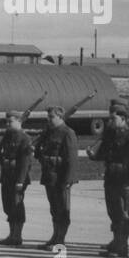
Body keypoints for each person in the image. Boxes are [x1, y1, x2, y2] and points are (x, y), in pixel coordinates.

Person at [87, 101, 129, 258]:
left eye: (113, 118)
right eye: (109, 119)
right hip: (111, 177)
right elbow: (104, 154)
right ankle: (116, 241)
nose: (110, 122)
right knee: (113, 212)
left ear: (123, 118)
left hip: (123, 180)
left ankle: (122, 246)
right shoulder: (111, 134)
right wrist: (93, 156)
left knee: (124, 213)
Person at [33, 105, 78, 249]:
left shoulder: (67, 133)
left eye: (51, 116)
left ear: (60, 117)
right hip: (49, 175)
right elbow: (39, 150)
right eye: (48, 116)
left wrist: (68, 179)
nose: (48, 119)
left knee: (62, 209)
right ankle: (54, 237)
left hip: (61, 177)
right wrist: (41, 156)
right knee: (54, 209)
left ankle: (60, 240)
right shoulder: (48, 132)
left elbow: (71, 159)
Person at [0, 110, 32, 244]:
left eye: (10, 121)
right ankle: (11, 235)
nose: (7, 124)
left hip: (17, 178)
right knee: (8, 206)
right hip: (6, 176)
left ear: (19, 121)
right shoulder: (8, 135)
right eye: (6, 121)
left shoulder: (25, 138)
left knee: (17, 206)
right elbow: (3, 154)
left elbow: (25, 162)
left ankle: (17, 236)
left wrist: (20, 181)